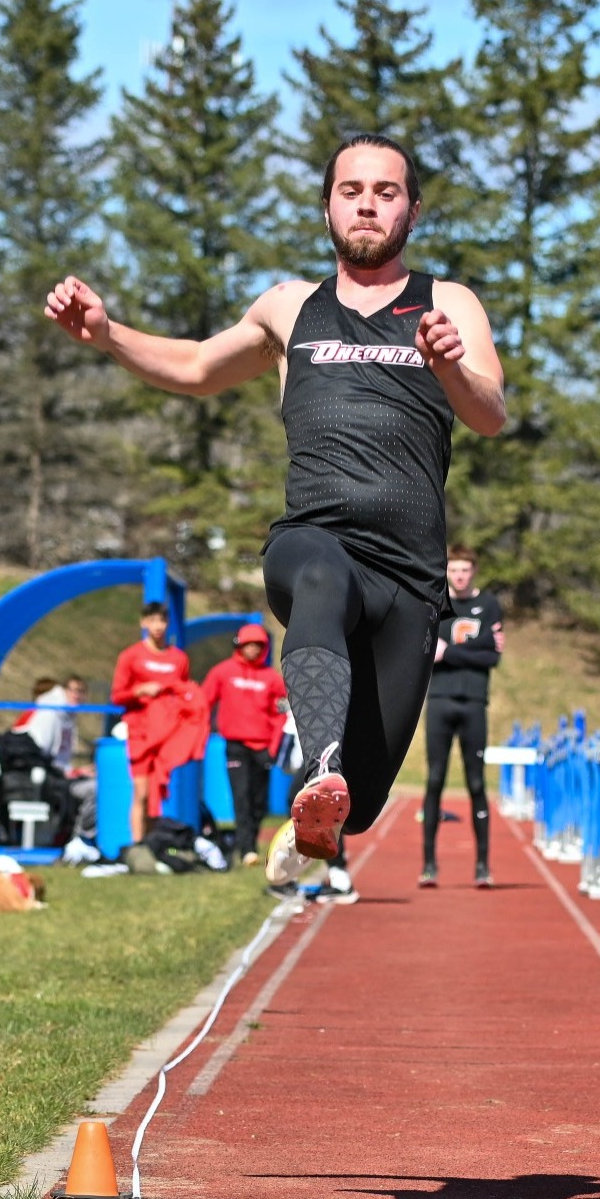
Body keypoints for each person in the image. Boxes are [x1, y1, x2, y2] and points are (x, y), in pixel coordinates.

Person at [46, 133, 505, 886]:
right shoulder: (290, 307)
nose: (367, 202)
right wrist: (106, 334)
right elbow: (197, 366)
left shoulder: (447, 302)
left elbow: (489, 414)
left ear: (413, 211)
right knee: (319, 577)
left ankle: (326, 798)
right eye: (351, 189)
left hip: (411, 576)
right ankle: (318, 760)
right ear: (327, 205)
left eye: (386, 191)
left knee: (361, 805)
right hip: (314, 539)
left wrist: (449, 361)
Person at [421, 544, 504, 888]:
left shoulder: (490, 604)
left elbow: (492, 656)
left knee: (475, 783)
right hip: (439, 700)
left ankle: (482, 864)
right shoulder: (436, 602)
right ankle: (428, 864)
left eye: (464, 570)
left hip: (473, 702)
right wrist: (474, 649)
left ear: (474, 572)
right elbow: (427, 652)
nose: (458, 575)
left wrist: (451, 652)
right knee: (435, 780)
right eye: (453, 569)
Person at [201, 624, 288, 866]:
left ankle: (247, 841)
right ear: (239, 645)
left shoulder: (272, 678)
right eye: (249, 644)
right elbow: (203, 702)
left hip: (263, 748)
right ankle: (247, 849)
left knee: (259, 800)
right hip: (235, 745)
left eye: (258, 645)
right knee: (240, 796)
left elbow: (282, 711)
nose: (252, 649)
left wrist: (274, 743)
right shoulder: (223, 672)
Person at [110, 602, 191, 843]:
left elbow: (184, 692)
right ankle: (137, 845)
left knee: (158, 793)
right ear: (143, 623)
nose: (158, 626)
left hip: (166, 735)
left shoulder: (179, 659)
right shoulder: (130, 656)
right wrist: (140, 690)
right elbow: (117, 695)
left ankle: (153, 845)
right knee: (142, 792)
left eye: (162, 621)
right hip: (140, 733)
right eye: (152, 621)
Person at [14, 674, 99, 852]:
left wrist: (76, 771)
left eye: (82, 691)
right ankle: (79, 842)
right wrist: (71, 773)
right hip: (42, 780)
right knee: (94, 790)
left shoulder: (67, 716)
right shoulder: (50, 713)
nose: (78, 695)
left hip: (57, 776)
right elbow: (40, 756)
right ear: (63, 691)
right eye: (74, 690)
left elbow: (60, 760)